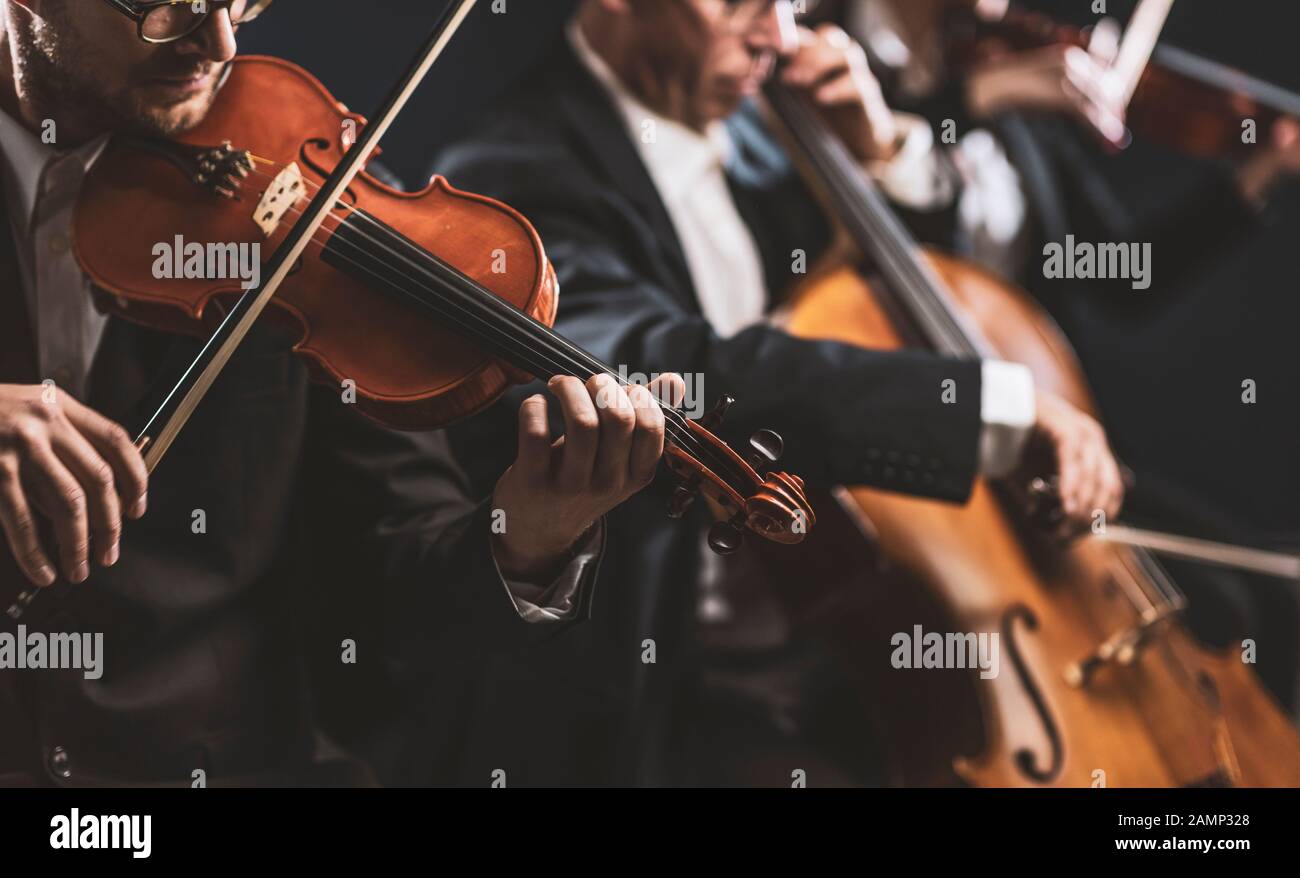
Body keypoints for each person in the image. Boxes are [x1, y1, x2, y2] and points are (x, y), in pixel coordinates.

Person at [431, 0, 1126, 786]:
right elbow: (688, 374)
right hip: (679, 685)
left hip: (850, 648)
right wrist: (987, 410)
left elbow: (919, 306)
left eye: (790, 3)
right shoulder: (511, 179)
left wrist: (883, 150)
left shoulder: (773, 130)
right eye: (742, 4)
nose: (781, 34)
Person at [0, 0, 677, 786]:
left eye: (238, 3)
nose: (217, 42)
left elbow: (396, 579)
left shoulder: (310, 199)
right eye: (167, 6)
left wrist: (529, 533)